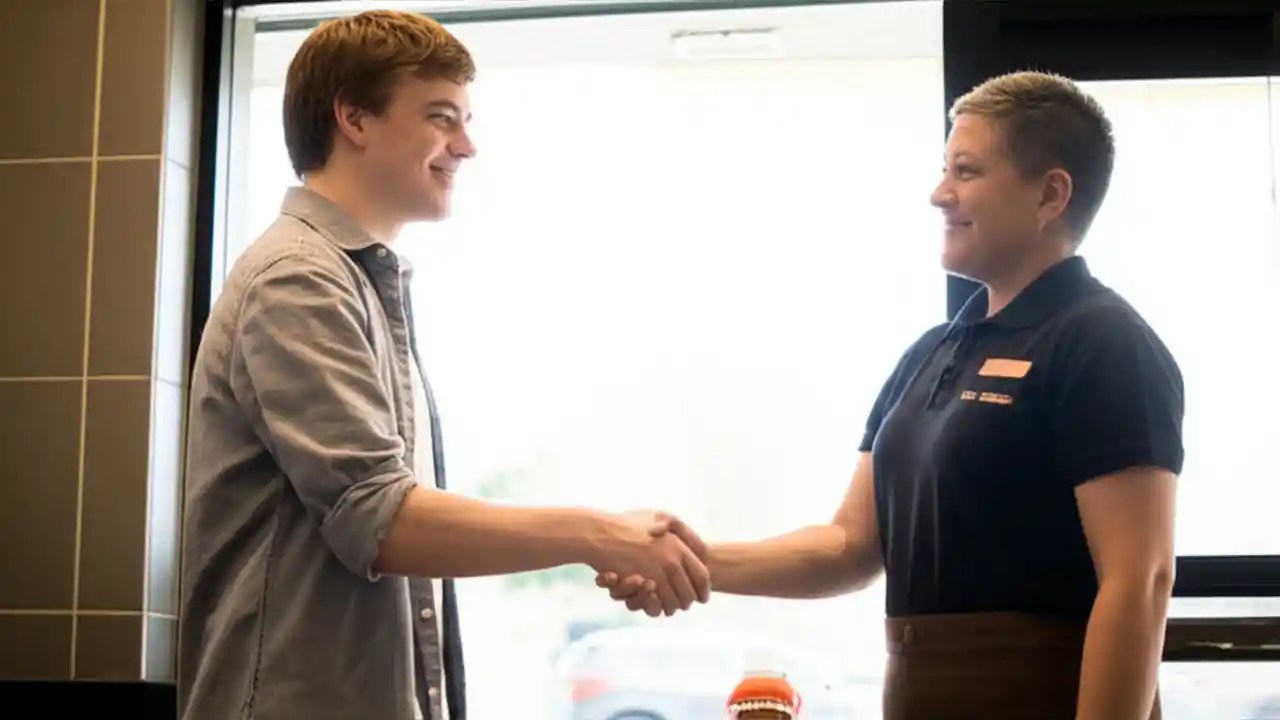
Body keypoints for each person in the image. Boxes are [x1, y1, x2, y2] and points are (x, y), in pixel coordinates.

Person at [600, 70, 1183, 720]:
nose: (939, 194)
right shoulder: (931, 353)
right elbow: (849, 547)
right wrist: (697, 562)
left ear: (1050, 194)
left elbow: (1141, 580)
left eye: (966, 171)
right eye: (944, 170)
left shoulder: (1102, 341)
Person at [177, 11, 708, 720]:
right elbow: (380, 520)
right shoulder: (297, 281)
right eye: (440, 117)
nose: (466, 145)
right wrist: (598, 533)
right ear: (353, 118)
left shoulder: (354, 282)